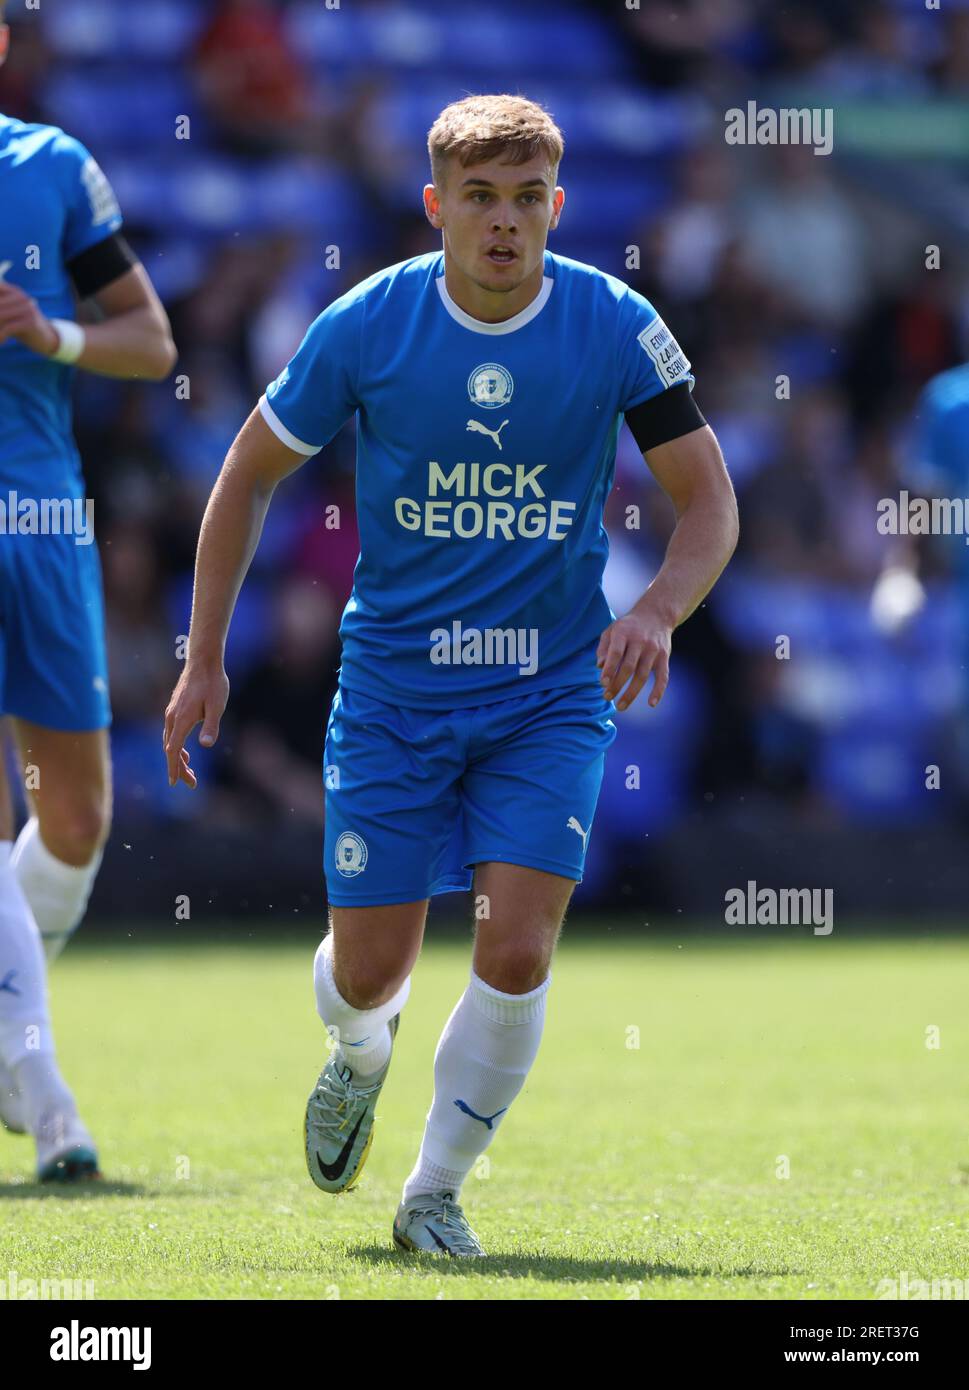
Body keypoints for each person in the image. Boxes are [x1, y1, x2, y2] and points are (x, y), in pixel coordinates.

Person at [163, 94, 737, 1256]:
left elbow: (710, 501)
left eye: (528, 199)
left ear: (557, 208)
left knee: (516, 949)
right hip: (392, 696)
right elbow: (244, 476)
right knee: (368, 976)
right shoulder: (367, 326)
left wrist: (661, 610)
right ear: (436, 208)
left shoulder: (615, 324)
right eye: (480, 198)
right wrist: (205, 652)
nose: (505, 222)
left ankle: (433, 1190)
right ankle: (358, 1056)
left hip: (547, 694)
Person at [0, 3, 177, 1180]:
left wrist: (52, 331)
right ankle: (48, 1098)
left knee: (74, 821)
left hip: (44, 519)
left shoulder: (52, 166)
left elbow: (153, 341)